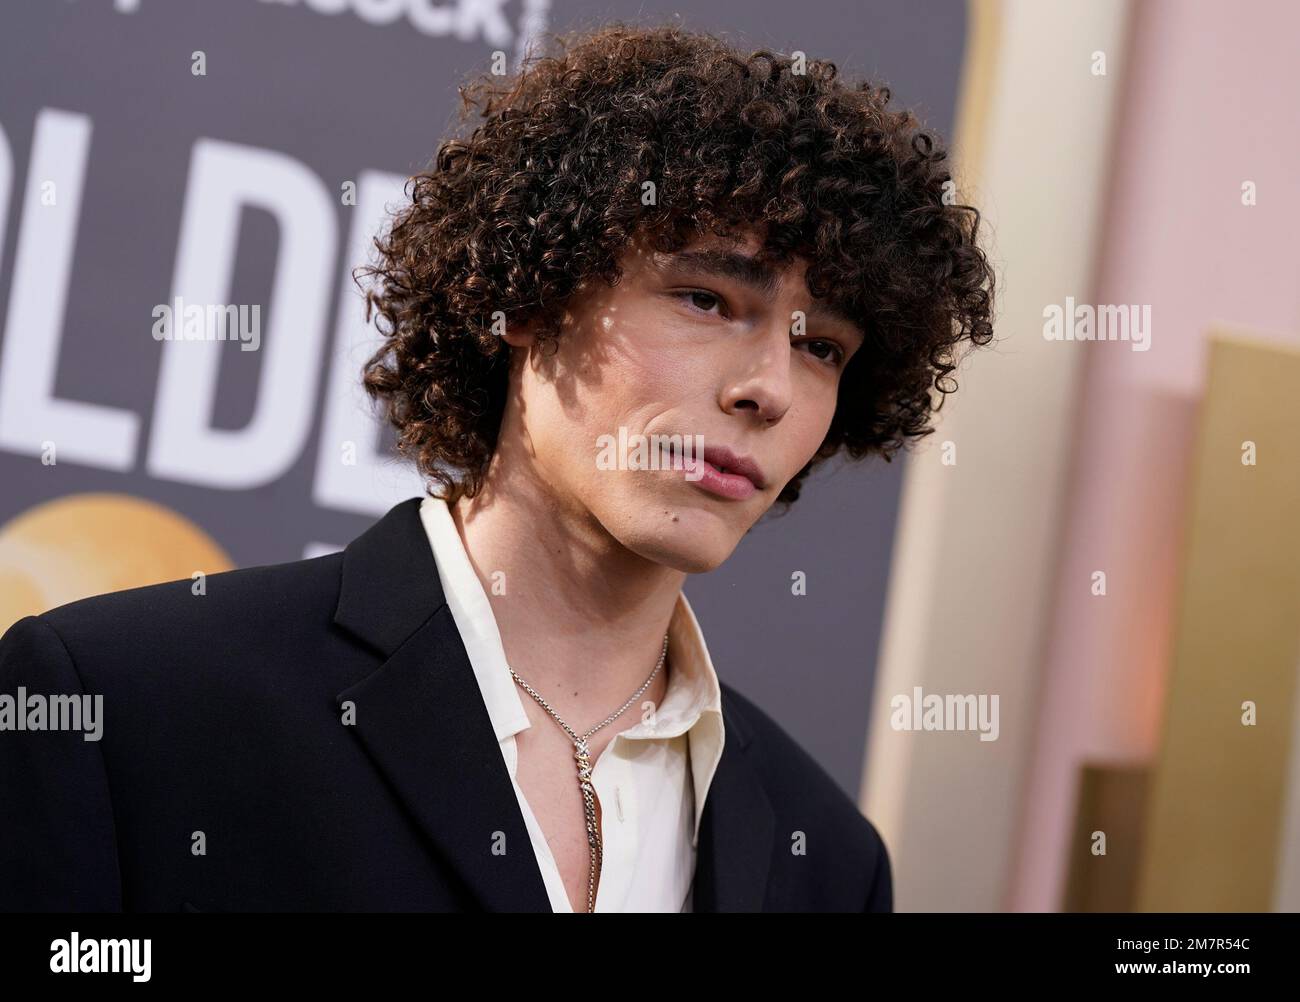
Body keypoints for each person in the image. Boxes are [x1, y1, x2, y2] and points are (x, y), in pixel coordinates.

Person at [0, 23, 994, 912]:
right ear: (527, 296)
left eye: (821, 345)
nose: (768, 387)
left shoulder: (826, 861)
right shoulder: (125, 703)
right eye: (705, 299)